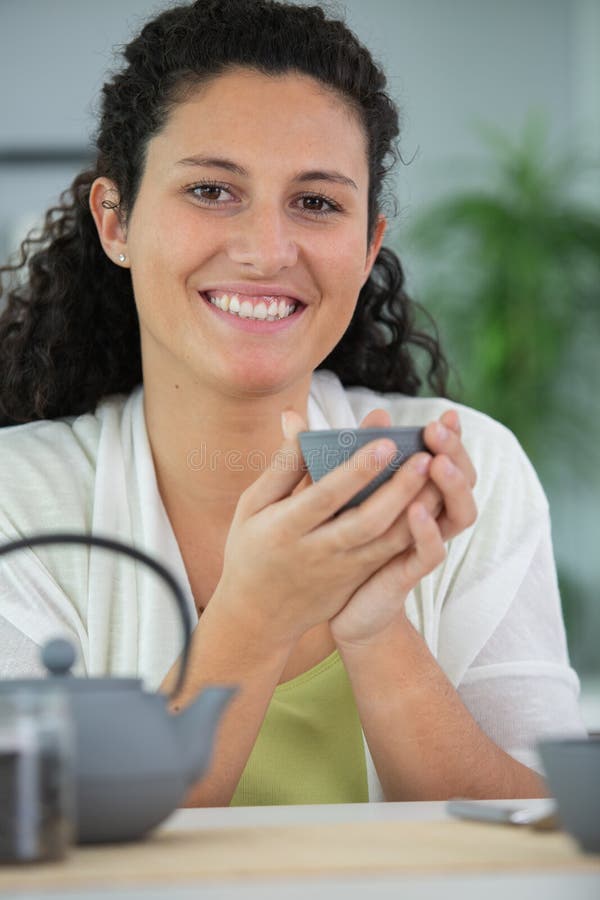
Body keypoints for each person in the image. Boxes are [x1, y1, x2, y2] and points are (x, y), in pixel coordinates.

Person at [0, 0, 586, 807]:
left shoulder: (473, 465)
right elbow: (38, 851)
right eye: (211, 189)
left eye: (316, 203)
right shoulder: (16, 501)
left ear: (369, 243)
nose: (267, 251)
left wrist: (376, 627)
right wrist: (254, 615)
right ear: (116, 220)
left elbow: (540, 841)